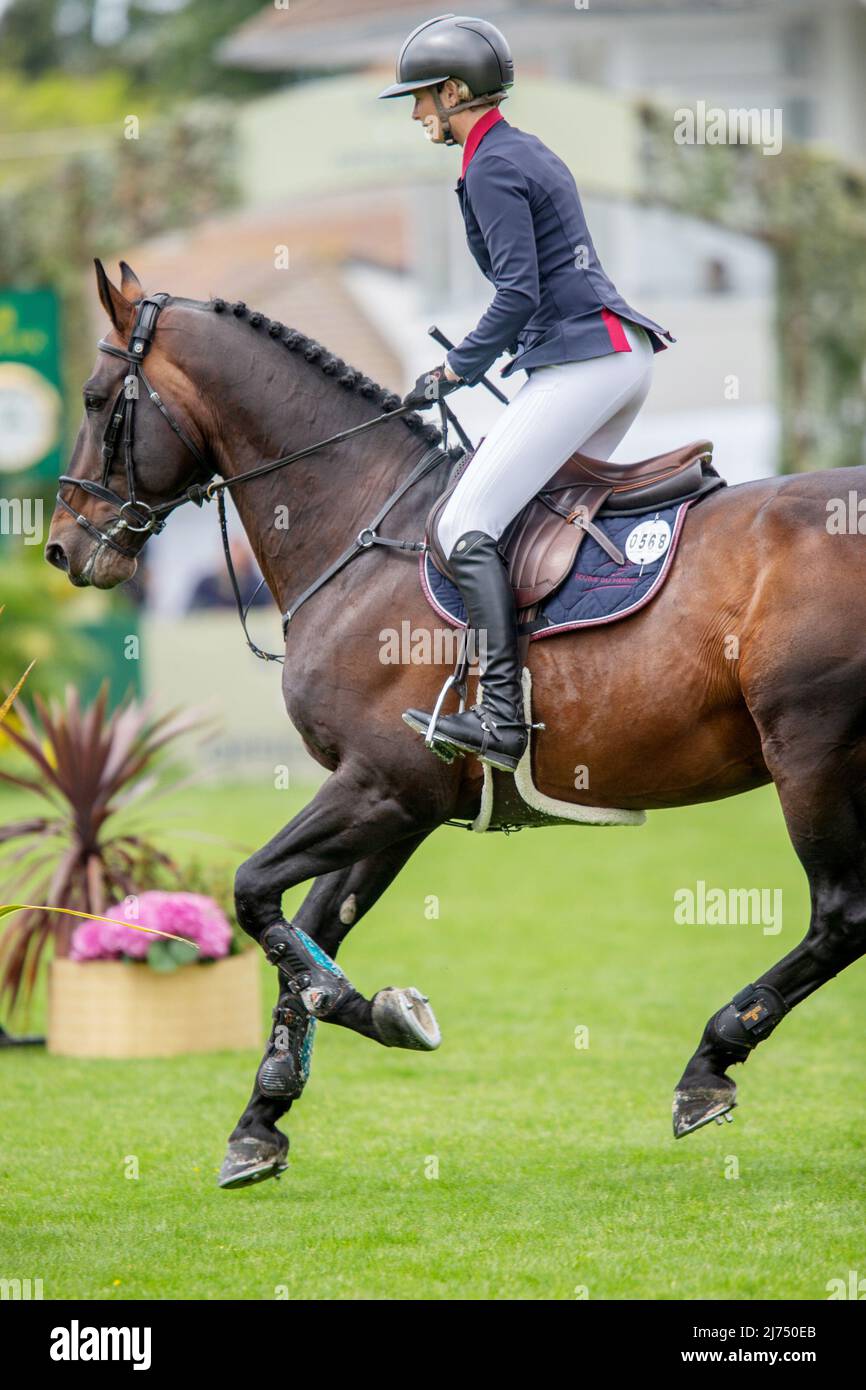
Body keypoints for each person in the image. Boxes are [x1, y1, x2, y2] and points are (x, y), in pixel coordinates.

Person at [379, 13, 674, 772]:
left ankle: (502, 721)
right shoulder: (515, 149)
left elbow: (517, 292)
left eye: (421, 99)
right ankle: (575, 689)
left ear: (453, 92)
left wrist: (456, 369)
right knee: (528, 517)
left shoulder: (490, 166)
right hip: (608, 357)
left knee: (466, 520)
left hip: (588, 362)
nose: (417, 115)